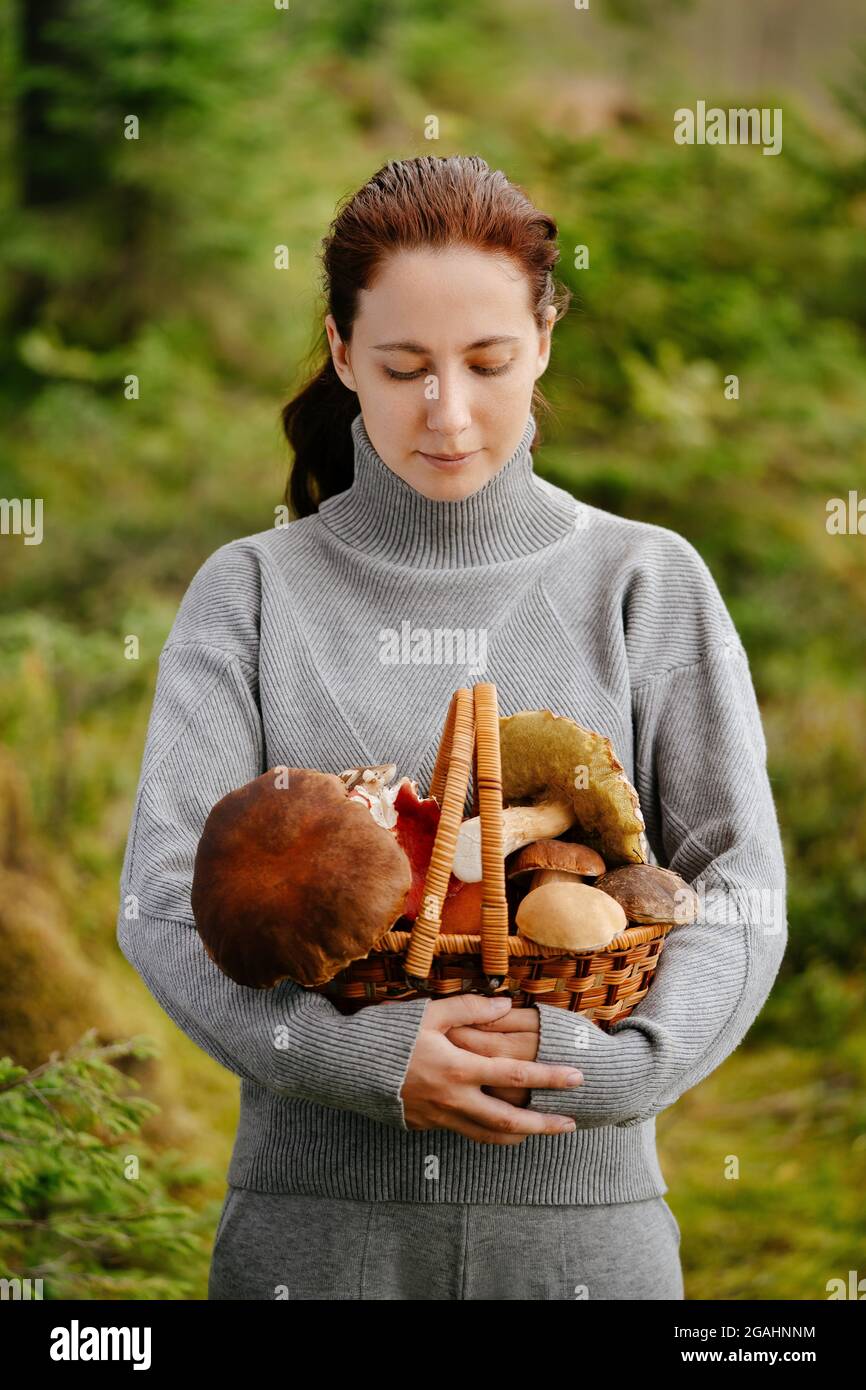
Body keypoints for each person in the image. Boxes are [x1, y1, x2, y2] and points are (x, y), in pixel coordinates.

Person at [116, 154, 787, 1300]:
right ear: (339, 352)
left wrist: (596, 1066)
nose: (447, 413)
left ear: (543, 338)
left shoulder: (643, 578)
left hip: (584, 1238)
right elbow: (161, 901)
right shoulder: (252, 592)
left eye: (486, 363)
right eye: (402, 367)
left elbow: (739, 885)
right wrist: (366, 1059)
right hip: (313, 1240)